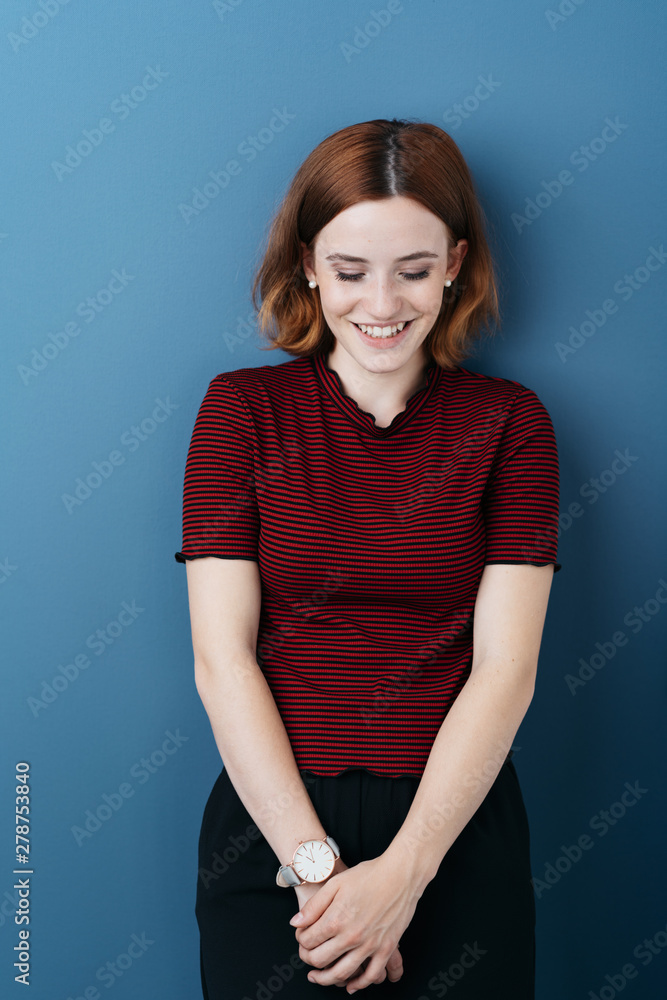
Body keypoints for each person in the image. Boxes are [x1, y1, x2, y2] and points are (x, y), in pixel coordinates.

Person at [174, 117, 561, 998]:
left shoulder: (511, 425)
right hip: (272, 828)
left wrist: (406, 874)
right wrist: (317, 874)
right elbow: (220, 659)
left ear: (455, 263)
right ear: (308, 263)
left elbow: (507, 670)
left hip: (456, 828)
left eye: (414, 271)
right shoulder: (240, 412)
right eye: (350, 271)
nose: (381, 304)